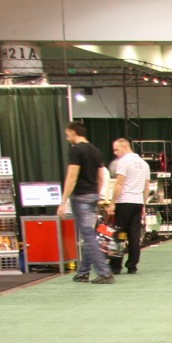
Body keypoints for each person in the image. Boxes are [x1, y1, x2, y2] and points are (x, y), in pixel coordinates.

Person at [56, 121, 113, 284]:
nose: (67, 138)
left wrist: (63, 201)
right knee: (90, 235)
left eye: (68, 135)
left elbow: (72, 176)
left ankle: (104, 272)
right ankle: (83, 272)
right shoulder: (95, 151)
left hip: (80, 197)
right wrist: (96, 193)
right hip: (93, 197)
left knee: (88, 237)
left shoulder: (76, 150)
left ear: (73, 132)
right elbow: (100, 177)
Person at [107, 137, 150, 274]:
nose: (115, 152)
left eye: (116, 149)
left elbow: (119, 184)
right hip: (137, 202)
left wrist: (112, 203)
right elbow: (146, 187)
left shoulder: (124, 162)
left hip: (124, 201)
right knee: (134, 235)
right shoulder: (144, 164)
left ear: (125, 147)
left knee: (120, 234)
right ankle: (132, 266)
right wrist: (143, 205)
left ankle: (115, 266)